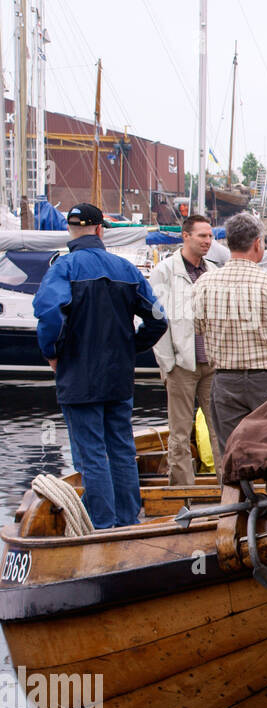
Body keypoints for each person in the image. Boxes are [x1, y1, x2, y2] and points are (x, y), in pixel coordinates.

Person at [33, 201, 167, 528]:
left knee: (91, 455)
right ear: (99, 229)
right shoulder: (126, 270)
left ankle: (102, 527)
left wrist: (52, 352)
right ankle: (127, 522)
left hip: (78, 379)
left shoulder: (63, 269)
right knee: (122, 450)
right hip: (118, 378)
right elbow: (158, 319)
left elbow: (50, 315)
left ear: (71, 230)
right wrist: (129, 348)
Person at [193, 211, 267, 457]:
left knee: (232, 454)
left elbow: (198, 327)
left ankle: (236, 494)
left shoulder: (204, 284)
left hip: (225, 380)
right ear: (257, 244)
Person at [151, 213, 222, 484]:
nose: (208, 241)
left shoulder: (214, 272)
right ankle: (183, 491)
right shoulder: (165, 271)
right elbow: (156, 319)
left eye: (210, 236)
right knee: (179, 431)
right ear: (186, 236)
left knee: (219, 428)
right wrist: (168, 363)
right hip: (181, 365)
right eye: (202, 236)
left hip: (211, 364)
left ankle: (226, 488)